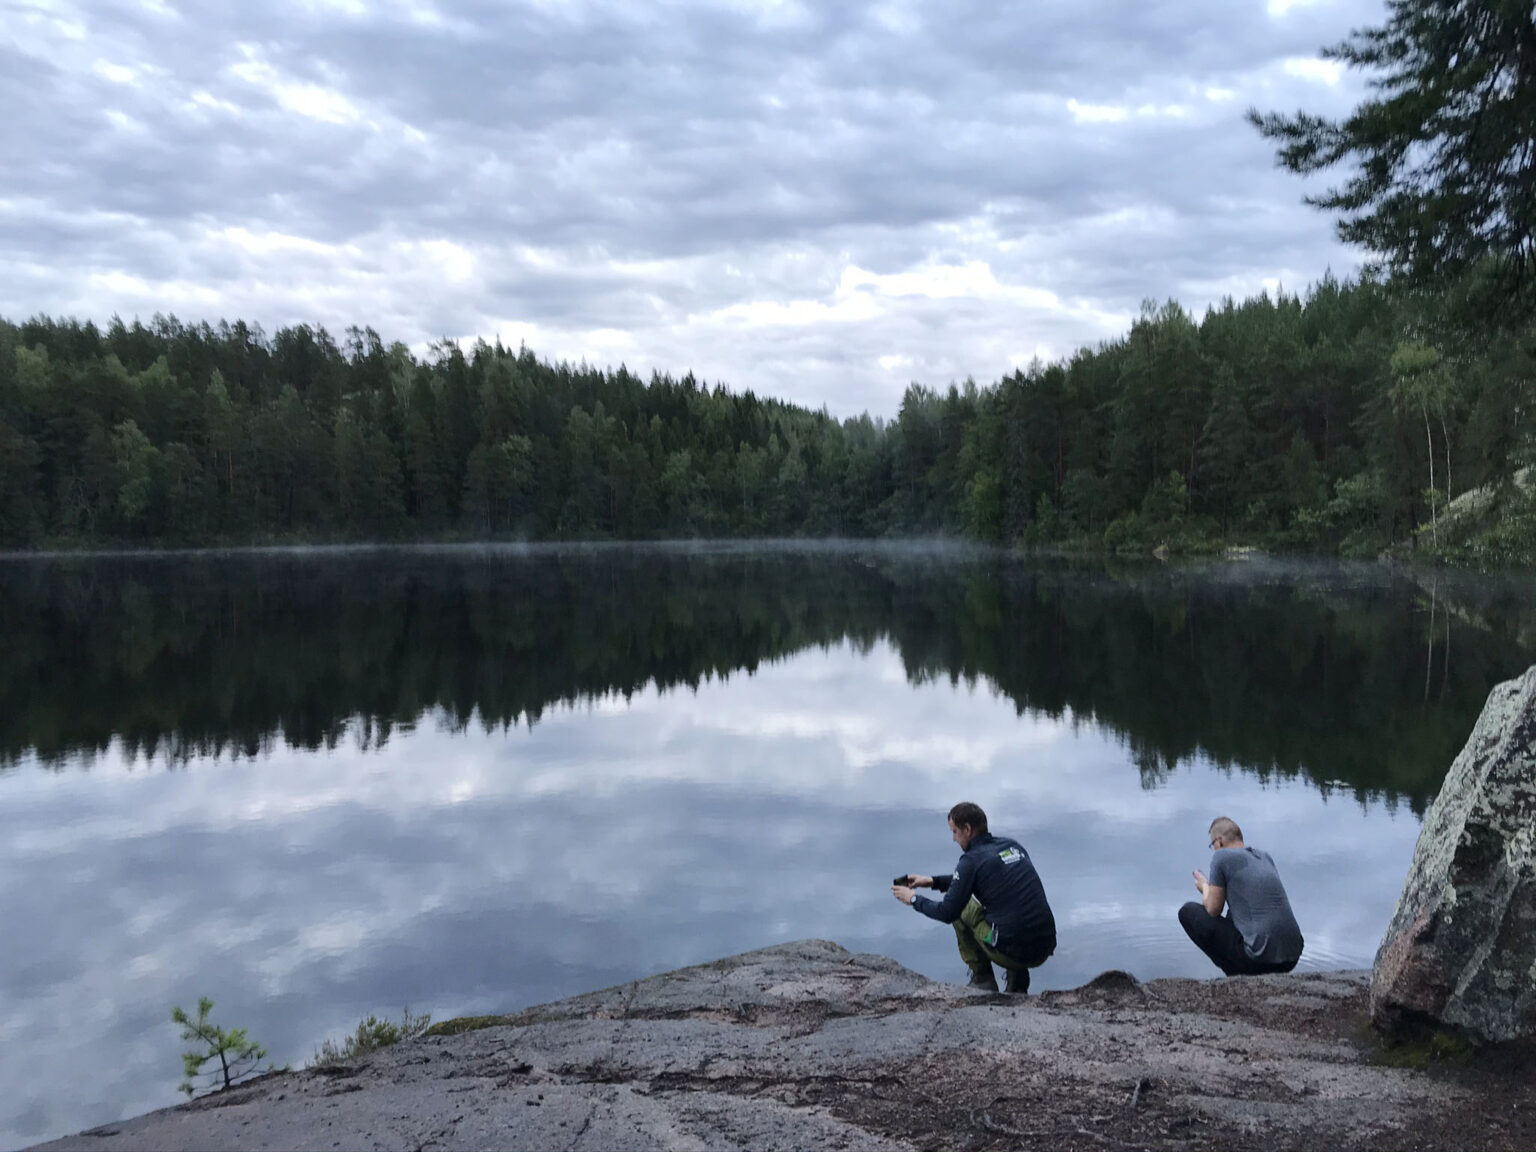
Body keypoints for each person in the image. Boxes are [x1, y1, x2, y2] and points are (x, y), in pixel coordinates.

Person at [892, 801, 1056, 995]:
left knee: (962, 908)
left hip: (1012, 953)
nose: (953, 839)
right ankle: (1018, 981)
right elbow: (976, 879)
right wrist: (932, 881)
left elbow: (947, 912)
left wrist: (913, 899)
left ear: (967, 829)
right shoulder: (1012, 846)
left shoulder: (971, 860)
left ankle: (983, 978)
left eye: (955, 832)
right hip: (1045, 946)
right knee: (1009, 909)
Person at [1179, 816, 1304, 976]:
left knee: (1187, 912)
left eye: (1212, 845)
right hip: (1291, 958)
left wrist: (1204, 887)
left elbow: (1213, 909)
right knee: (1234, 912)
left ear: (1219, 842)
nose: (1214, 849)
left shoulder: (1221, 857)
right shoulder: (1264, 857)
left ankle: (1235, 977)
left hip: (1258, 961)